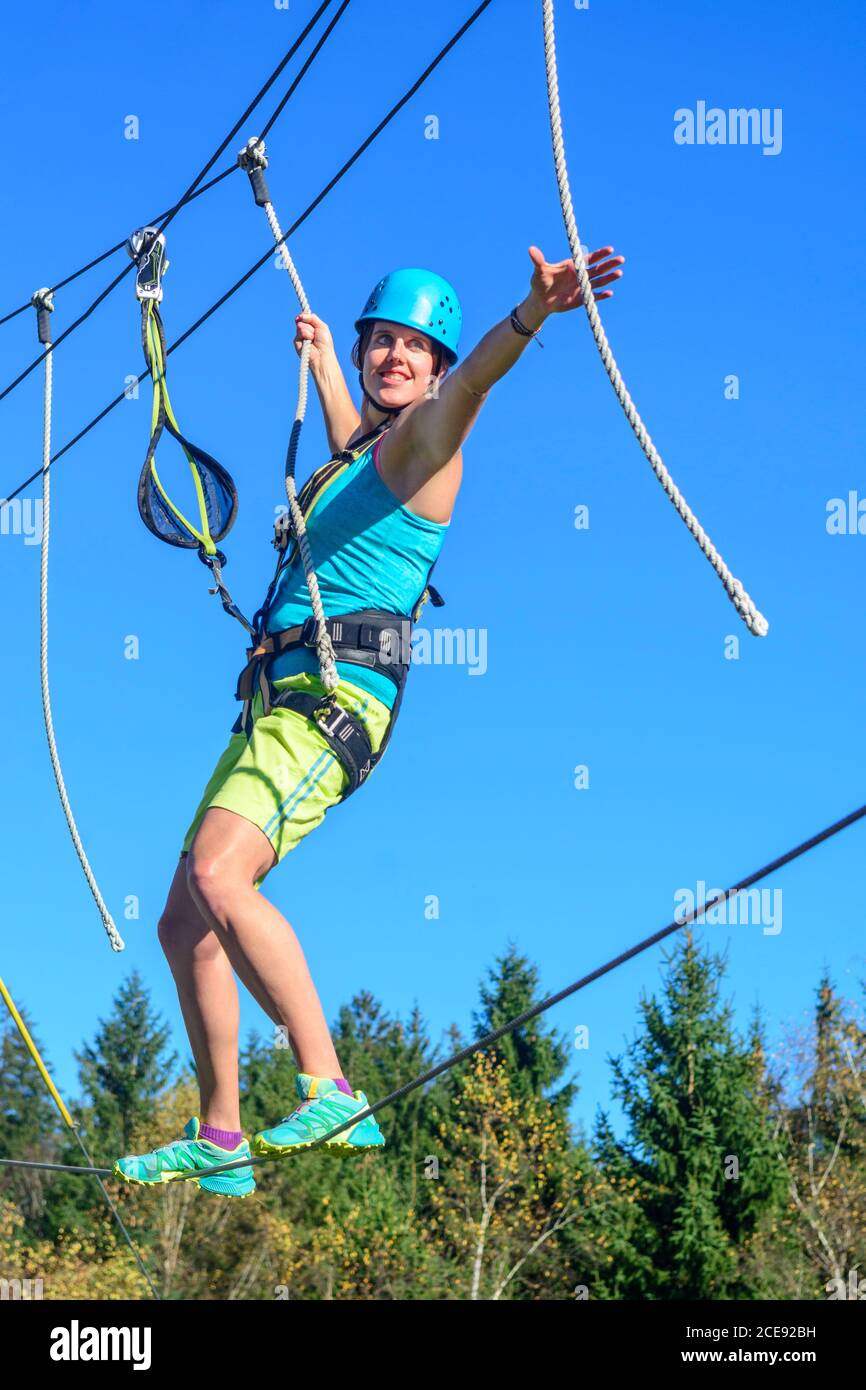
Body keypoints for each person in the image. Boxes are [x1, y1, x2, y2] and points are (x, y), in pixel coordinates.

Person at [114, 244, 624, 1197]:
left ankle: (329, 1084)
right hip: (275, 703)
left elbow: (467, 392)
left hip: (333, 703)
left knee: (224, 876)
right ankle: (221, 1134)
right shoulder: (361, 462)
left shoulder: (429, 444)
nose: (394, 356)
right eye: (379, 342)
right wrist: (320, 365)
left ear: (434, 369)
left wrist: (528, 318)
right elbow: (357, 449)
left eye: (413, 349)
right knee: (185, 917)